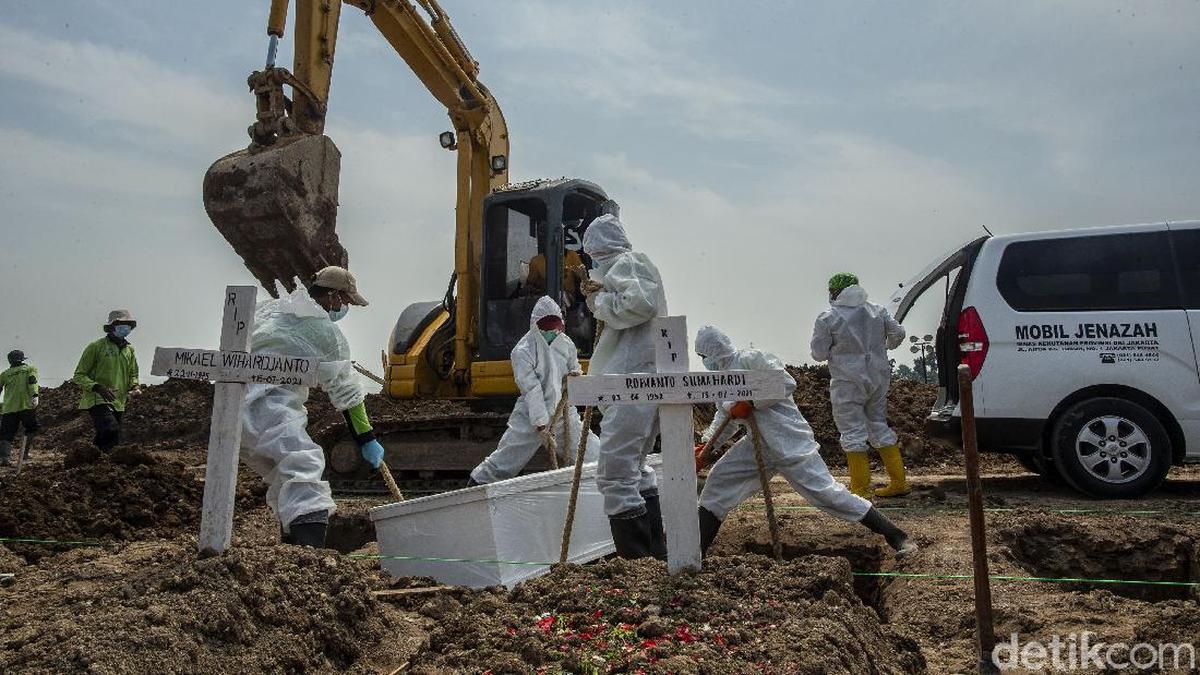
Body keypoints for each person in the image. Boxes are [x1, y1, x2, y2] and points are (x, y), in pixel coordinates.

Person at [694, 325, 916, 556]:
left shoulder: (752, 359)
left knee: (829, 495)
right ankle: (695, 554)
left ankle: (897, 536)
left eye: (703, 357)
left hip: (791, 443)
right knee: (717, 485)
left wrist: (750, 401)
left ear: (712, 351)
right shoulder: (720, 381)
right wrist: (706, 447)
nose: (704, 362)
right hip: (758, 446)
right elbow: (725, 418)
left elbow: (785, 382)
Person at [240, 266, 386, 548]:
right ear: (331, 296)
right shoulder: (325, 332)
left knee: (284, 478)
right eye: (345, 302)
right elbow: (347, 392)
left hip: (232, 404)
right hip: (270, 408)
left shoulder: (273, 310)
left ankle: (292, 549)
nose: (345, 308)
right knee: (304, 466)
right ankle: (309, 556)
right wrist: (366, 438)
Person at [580, 213, 669, 559]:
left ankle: (636, 564)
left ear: (597, 250)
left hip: (633, 383)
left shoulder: (625, 263)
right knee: (636, 468)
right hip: (640, 381)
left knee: (615, 476)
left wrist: (597, 302)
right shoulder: (629, 266)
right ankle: (654, 556)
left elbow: (640, 305)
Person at [469, 296, 599, 485]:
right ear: (536, 326)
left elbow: (574, 367)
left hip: (563, 415)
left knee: (591, 452)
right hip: (531, 416)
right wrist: (541, 424)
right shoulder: (523, 351)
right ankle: (477, 483)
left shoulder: (566, 344)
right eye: (547, 329)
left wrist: (575, 376)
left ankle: (608, 479)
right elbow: (531, 389)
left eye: (557, 328)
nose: (552, 332)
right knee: (507, 458)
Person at [810, 273, 910, 499]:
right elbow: (898, 333)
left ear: (835, 291)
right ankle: (898, 482)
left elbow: (818, 354)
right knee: (878, 424)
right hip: (877, 378)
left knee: (852, 432)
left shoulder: (828, 317)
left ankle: (861, 490)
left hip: (847, 382)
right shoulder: (878, 311)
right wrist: (885, 347)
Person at [74, 310, 140, 454]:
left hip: (119, 401)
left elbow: (133, 373)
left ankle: (92, 460)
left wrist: (135, 386)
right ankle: (104, 464)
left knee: (108, 437)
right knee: (111, 429)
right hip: (97, 398)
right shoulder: (96, 347)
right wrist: (98, 387)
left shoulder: (130, 350)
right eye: (121, 325)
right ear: (112, 327)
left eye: (127, 325)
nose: (125, 328)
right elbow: (79, 375)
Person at [0, 350, 39, 466]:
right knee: (31, 428)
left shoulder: (5, 374)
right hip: (25, 406)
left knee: (6, 434)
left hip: (9, 408)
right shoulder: (29, 369)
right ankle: (25, 454)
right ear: (22, 359)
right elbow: (32, 382)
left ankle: (5, 459)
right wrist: (35, 395)